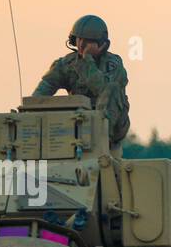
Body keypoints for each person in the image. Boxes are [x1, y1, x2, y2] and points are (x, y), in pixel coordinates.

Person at [33, 14, 131, 153]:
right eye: (79, 39)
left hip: (110, 130)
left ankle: (99, 139)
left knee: (113, 88)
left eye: (88, 41)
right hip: (76, 128)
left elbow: (103, 89)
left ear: (102, 44)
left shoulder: (113, 65)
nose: (82, 45)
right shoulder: (66, 64)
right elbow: (40, 95)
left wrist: (88, 61)